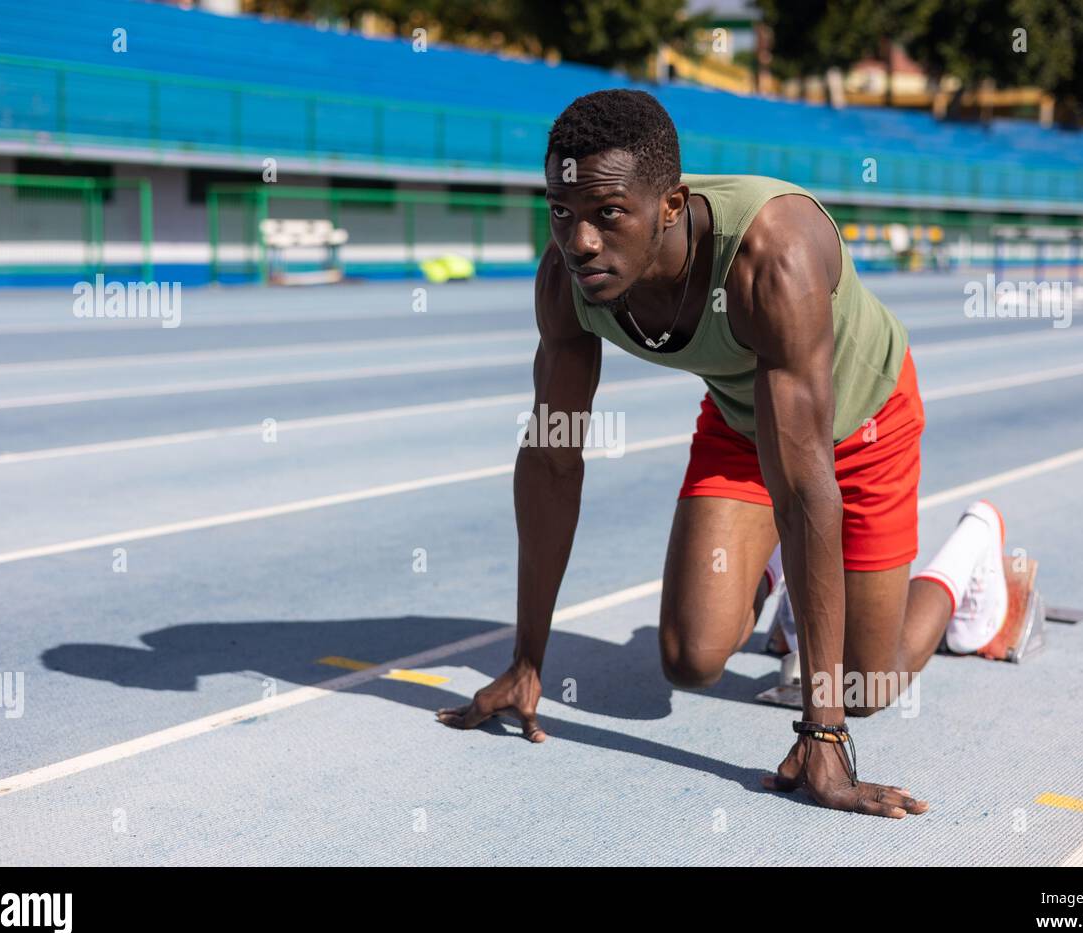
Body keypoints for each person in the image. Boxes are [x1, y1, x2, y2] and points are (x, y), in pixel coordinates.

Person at [438, 89, 1035, 818]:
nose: (580, 240)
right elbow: (553, 460)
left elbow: (807, 487)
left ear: (670, 205)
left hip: (861, 426)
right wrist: (527, 662)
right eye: (561, 212)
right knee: (689, 659)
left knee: (863, 689)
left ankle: (967, 557)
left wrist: (824, 734)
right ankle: (792, 579)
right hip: (744, 421)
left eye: (607, 214)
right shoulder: (568, 281)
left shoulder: (772, 253)